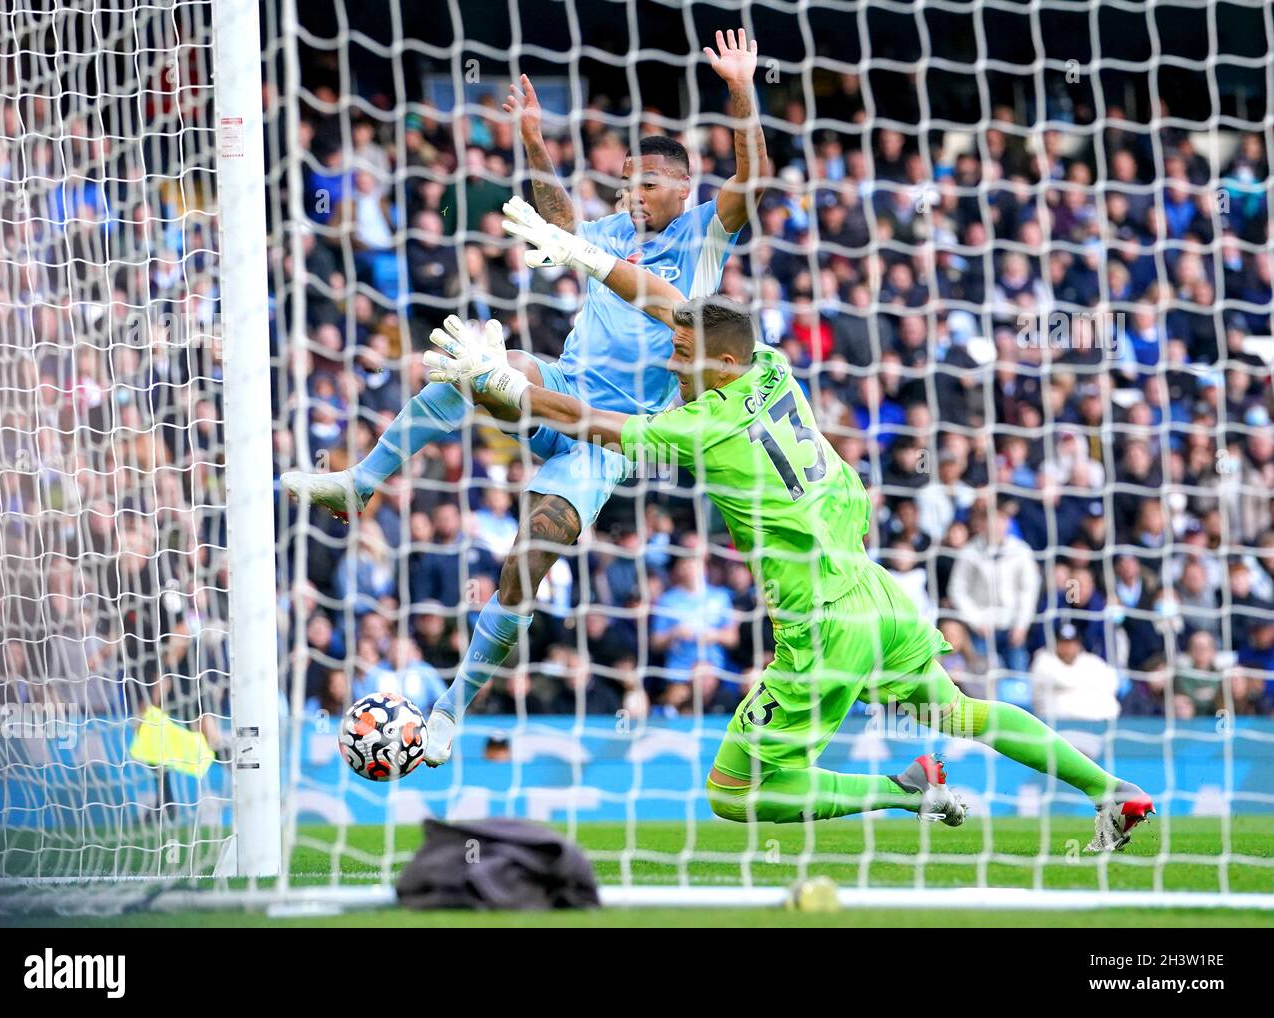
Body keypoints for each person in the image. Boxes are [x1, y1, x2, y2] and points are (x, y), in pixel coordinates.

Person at [424, 201, 1155, 851]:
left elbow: (592, 422)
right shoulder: (770, 367)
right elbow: (673, 305)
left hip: (820, 624)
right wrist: (583, 254)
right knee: (960, 713)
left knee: (730, 793)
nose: (672, 365)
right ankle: (1111, 792)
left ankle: (898, 794)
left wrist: (508, 386)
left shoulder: (702, 426)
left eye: (685, 359)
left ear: (724, 362)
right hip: (876, 593)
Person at [281, 28, 766, 755]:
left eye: (649, 184)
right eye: (626, 182)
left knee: (527, 555)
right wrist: (535, 141)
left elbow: (751, 182)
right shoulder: (612, 229)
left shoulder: (703, 233)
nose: (633, 194)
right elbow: (560, 222)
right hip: (562, 384)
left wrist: (739, 87)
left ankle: (451, 706)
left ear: (683, 189)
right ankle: (360, 482)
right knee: (473, 366)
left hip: (611, 431)